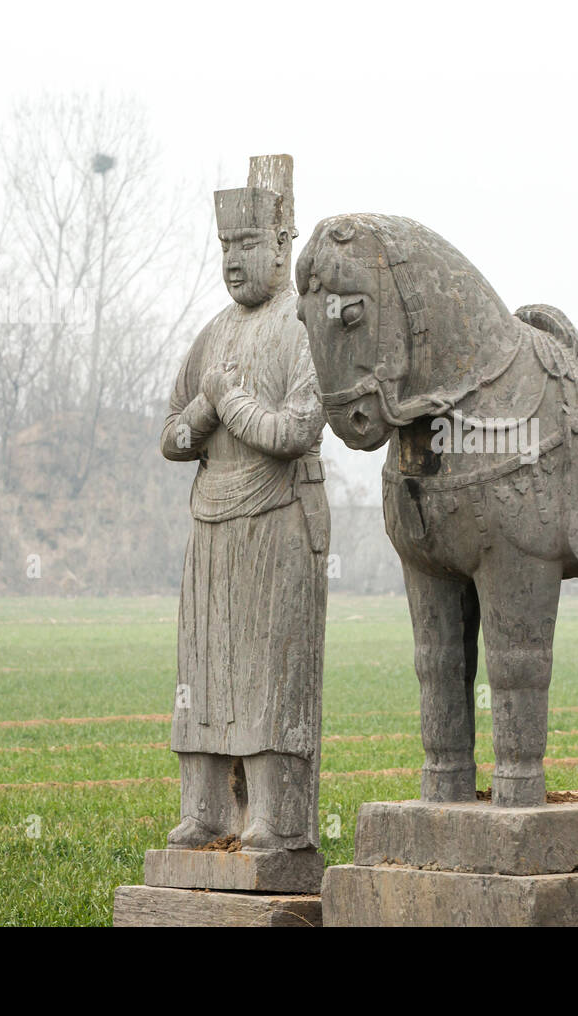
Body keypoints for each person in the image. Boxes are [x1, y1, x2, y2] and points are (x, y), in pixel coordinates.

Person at [160, 171, 329, 853]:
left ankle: (276, 819)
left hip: (279, 518)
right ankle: (206, 812)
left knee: (269, 671)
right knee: (201, 674)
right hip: (211, 524)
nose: (233, 257)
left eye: (248, 242)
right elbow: (172, 439)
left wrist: (230, 405)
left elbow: (300, 431)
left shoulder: (301, 326)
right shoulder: (212, 333)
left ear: (282, 244)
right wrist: (204, 407)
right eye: (225, 243)